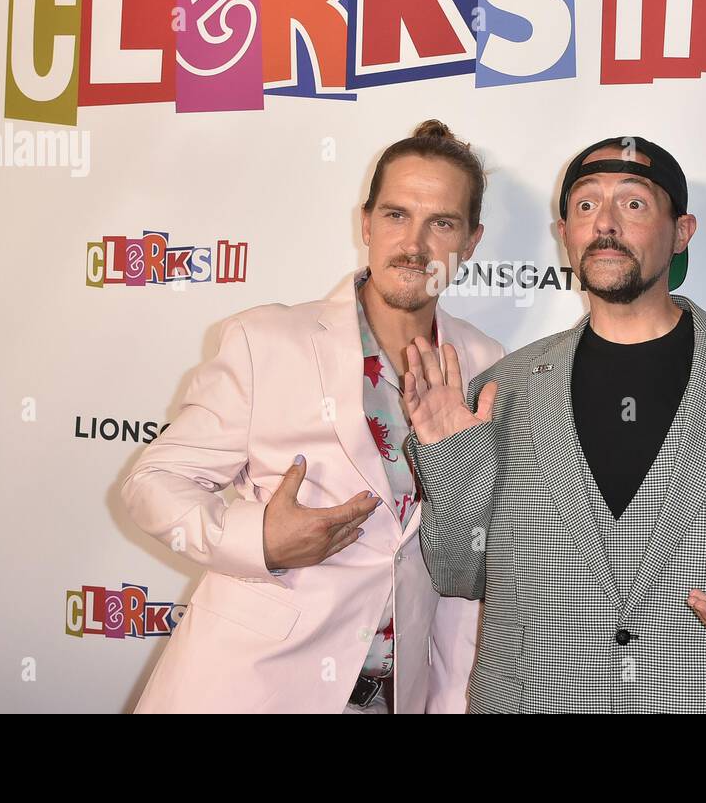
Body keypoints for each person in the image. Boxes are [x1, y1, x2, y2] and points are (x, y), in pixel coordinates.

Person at [402, 135, 706, 713]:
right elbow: (460, 572)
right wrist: (451, 455)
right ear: (566, 234)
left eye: (632, 204)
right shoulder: (505, 389)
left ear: (681, 231)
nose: (604, 223)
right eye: (585, 205)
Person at [122, 120, 504, 713]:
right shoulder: (266, 340)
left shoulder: (487, 363)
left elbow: (467, 566)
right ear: (366, 223)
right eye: (397, 215)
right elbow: (152, 485)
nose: (415, 244)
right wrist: (261, 540)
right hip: (249, 691)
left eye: (443, 223)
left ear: (473, 241)